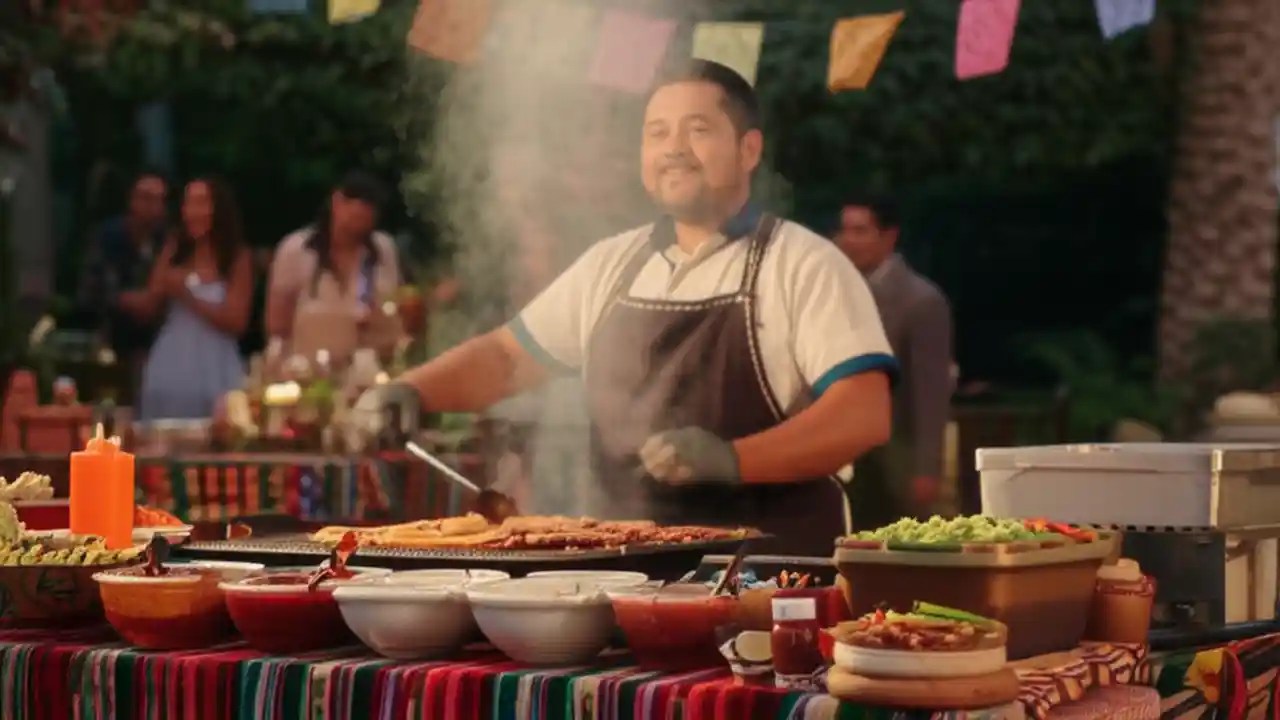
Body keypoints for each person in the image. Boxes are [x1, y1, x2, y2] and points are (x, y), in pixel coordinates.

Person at [356, 61, 896, 555]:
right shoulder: (611, 264)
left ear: (749, 150)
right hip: (624, 571)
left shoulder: (803, 263)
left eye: (698, 129)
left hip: (773, 579)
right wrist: (412, 390)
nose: (674, 148)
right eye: (657, 132)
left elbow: (863, 415)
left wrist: (733, 461)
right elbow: (507, 358)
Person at [835, 194, 954, 529]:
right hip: (845, 452)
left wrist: (927, 468)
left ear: (888, 236)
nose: (848, 241)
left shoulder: (920, 301)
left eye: (860, 231)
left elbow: (930, 392)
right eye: (845, 231)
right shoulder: (839, 291)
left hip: (895, 457)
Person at [137, 177, 253, 421]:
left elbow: (236, 321)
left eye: (201, 203)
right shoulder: (175, 249)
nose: (193, 212)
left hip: (216, 365)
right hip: (171, 363)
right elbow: (151, 302)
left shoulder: (236, 258)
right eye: (188, 204)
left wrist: (189, 298)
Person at [264, 171, 402, 366]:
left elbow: (397, 310)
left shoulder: (383, 249)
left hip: (367, 366)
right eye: (357, 214)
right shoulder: (296, 249)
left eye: (370, 214)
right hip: (307, 368)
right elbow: (277, 325)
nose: (363, 221)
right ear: (337, 203)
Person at [78, 170, 169, 394]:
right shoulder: (108, 237)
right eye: (146, 197)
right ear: (132, 200)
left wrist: (155, 302)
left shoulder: (168, 241)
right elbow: (88, 292)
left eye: (159, 199)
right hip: (112, 340)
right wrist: (124, 299)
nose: (152, 207)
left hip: (159, 343)